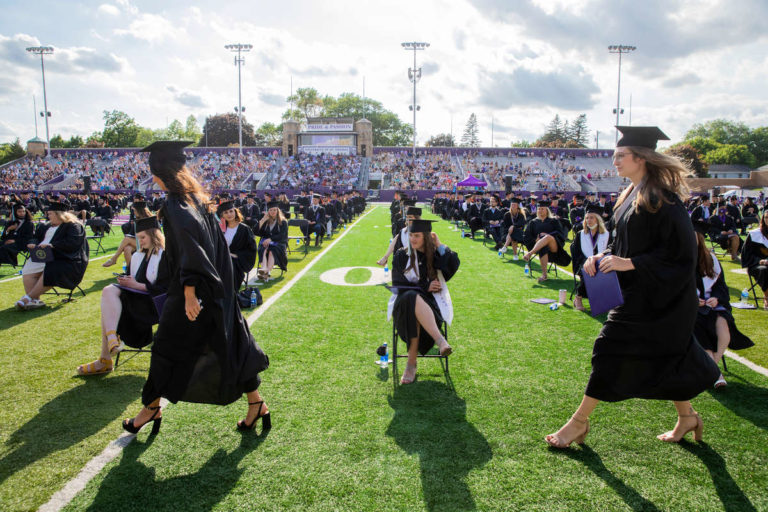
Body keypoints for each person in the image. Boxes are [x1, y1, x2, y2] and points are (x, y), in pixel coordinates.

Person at [545, 126, 719, 449]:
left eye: (620, 156)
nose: (614, 163)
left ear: (641, 158)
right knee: (669, 357)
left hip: (661, 298)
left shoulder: (663, 200)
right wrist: (601, 257)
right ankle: (688, 416)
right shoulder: (629, 196)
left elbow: (681, 254)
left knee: (608, 347)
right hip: (638, 294)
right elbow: (625, 246)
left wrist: (631, 264)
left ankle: (578, 423)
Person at [122, 141, 270, 436]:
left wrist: (189, 293)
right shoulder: (196, 200)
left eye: (153, 173)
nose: (152, 179)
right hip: (218, 289)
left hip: (194, 292)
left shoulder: (177, 206)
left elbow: (192, 250)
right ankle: (257, 404)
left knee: (165, 347)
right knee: (230, 344)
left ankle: (150, 408)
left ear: (161, 172)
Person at [76, 216, 170, 375]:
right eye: (138, 237)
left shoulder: (166, 257)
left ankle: (105, 359)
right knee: (109, 290)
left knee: (108, 305)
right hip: (134, 299)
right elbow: (131, 279)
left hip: (154, 305)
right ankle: (112, 338)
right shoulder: (137, 256)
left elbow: (167, 288)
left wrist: (137, 285)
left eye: (143, 237)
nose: (139, 241)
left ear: (154, 235)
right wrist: (126, 281)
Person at [389, 219, 460, 384]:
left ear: (426, 237)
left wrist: (439, 244)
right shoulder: (401, 255)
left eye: (417, 236)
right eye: (411, 235)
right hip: (403, 311)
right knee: (410, 297)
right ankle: (440, 341)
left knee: (413, 299)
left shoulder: (434, 257)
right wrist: (425, 286)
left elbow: (453, 265)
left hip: (430, 315)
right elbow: (398, 283)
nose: (412, 239)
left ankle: (411, 363)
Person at [692, 229, 754, 388]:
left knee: (723, 323)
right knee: (697, 323)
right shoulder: (677, 260)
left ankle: (711, 370)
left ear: (699, 238)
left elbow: (721, 286)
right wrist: (691, 299)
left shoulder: (710, 259)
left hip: (712, 305)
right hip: (690, 309)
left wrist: (716, 298)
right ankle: (716, 373)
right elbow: (672, 288)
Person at [15, 202, 89, 310]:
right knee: (28, 268)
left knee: (53, 268)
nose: (48, 216)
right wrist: (33, 243)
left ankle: (28, 298)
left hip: (65, 258)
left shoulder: (73, 226)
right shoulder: (45, 226)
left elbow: (73, 243)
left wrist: (52, 245)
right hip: (42, 255)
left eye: (50, 214)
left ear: (59, 214)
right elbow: (35, 237)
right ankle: (36, 300)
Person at [570, 205, 612, 311]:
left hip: (601, 262)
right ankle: (578, 297)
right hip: (583, 264)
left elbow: (610, 251)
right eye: (587, 218)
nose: (588, 220)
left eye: (592, 217)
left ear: (598, 219)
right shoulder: (581, 235)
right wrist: (586, 262)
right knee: (589, 268)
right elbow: (576, 253)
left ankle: (602, 298)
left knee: (599, 267)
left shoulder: (607, 235)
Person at [522, 200, 571, 282]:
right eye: (539, 209)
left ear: (547, 210)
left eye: (542, 209)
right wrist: (535, 240)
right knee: (543, 247)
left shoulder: (553, 221)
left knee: (547, 237)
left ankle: (529, 254)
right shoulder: (533, 222)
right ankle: (544, 275)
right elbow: (526, 236)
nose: (540, 210)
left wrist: (546, 235)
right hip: (539, 247)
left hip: (554, 246)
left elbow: (560, 233)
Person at [218, 200, 257, 289]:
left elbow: (251, 249)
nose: (229, 214)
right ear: (222, 215)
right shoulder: (220, 229)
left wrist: (236, 255)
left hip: (236, 263)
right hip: (221, 261)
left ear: (235, 211)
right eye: (226, 212)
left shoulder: (244, 229)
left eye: (231, 211)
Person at [102, 201, 152, 268]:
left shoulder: (150, 220)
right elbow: (131, 233)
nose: (133, 212)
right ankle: (130, 271)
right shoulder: (136, 220)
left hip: (149, 244)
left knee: (127, 239)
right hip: (139, 243)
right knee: (127, 248)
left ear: (139, 211)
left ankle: (114, 258)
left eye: (134, 210)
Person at [741, 209, 768, 310]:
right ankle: (767, 297)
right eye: (766, 217)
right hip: (756, 265)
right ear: (763, 219)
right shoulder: (754, 234)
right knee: (764, 270)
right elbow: (746, 254)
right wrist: (759, 261)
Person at [256, 201, 289, 280]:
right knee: (264, 249)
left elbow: (282, 236)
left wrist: (270, 239)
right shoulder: (266, 221)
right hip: (266, 243)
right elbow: (257, 232)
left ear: (278, 210)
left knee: (271, 251)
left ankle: (266, 271)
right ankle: (264, 269)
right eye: (271, 210)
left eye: (274, 210)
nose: (273, 212)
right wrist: (262, 220)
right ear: (268, 211)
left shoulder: (283, 222)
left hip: (279, 243)